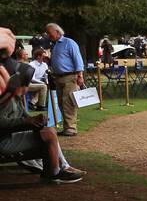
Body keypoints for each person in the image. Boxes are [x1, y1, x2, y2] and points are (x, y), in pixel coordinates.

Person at [0, 28, 84, 182]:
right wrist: (26, 122)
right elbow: (3, 122)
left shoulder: (13, 93)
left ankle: (57, 169)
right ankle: (55, 171)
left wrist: (33, 119)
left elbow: (21, 114)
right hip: (4, 140)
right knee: (48, 133)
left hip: (10, 135)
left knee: (47, 130)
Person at [45, 23, 85, 137]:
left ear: (57, 32)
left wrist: (80, 75)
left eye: (49, 32)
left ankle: (71, 128)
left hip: (70, 77)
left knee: (68, 103)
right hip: (59, 78)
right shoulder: (55, 45)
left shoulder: (69, 43)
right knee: (62, 104)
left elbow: (77, 59)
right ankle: (67, 127)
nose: (48, 35)